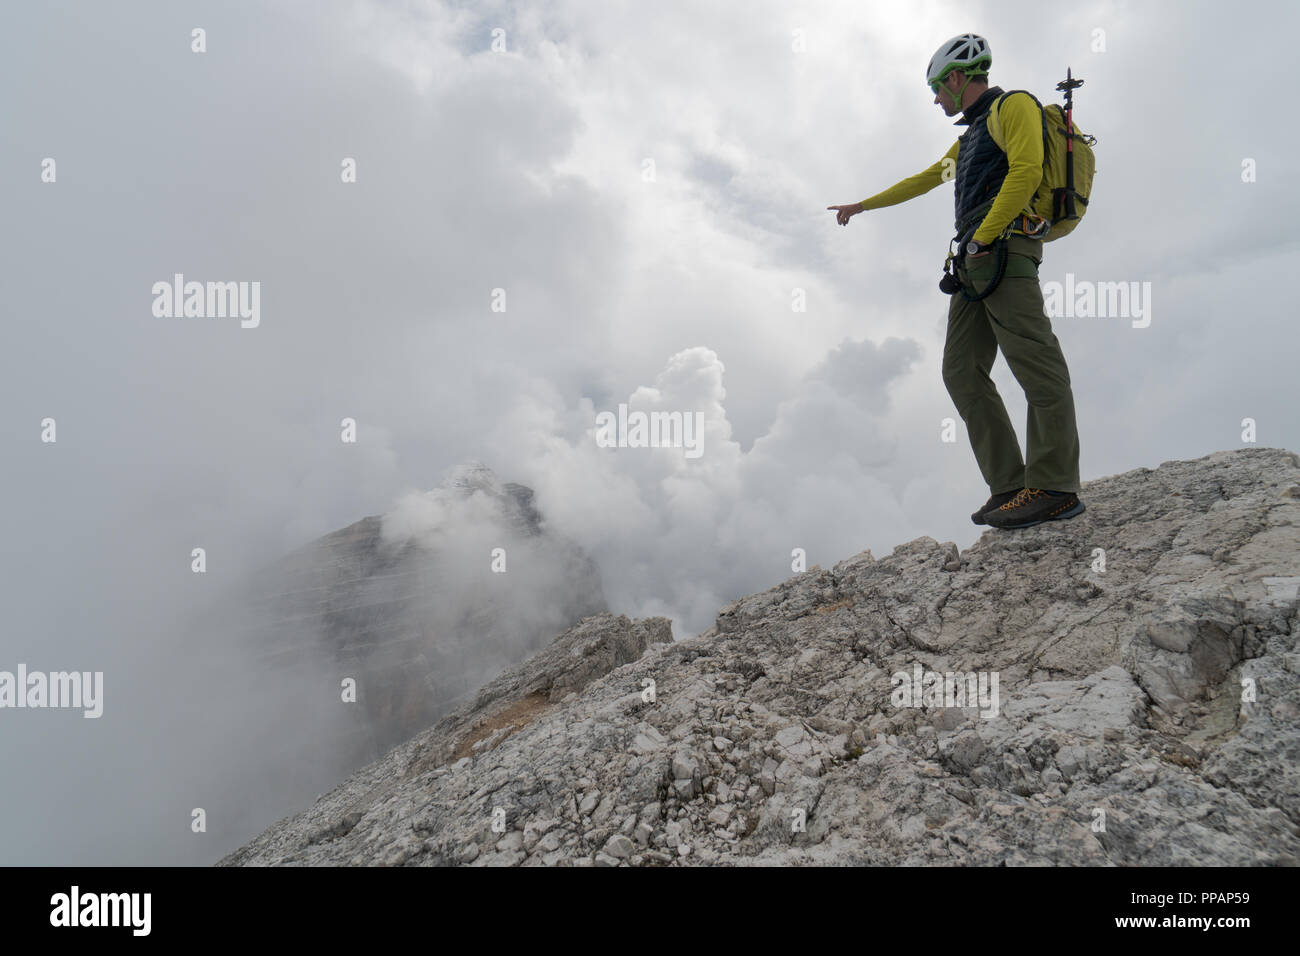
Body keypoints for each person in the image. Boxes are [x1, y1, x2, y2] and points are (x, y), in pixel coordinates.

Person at [828, 33, 1085, 530]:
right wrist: (862, 206)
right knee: (961, 372)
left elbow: (1029, 171)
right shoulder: (972, 135)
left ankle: (1054, 487)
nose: (935, 98)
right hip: (974, 259)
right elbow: (927, 178)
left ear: (958, 78)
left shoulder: (1014, 107)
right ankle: (1011, 485)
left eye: (937, 88)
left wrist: (983, 238)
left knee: (1037, 364)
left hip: (1003, 249)